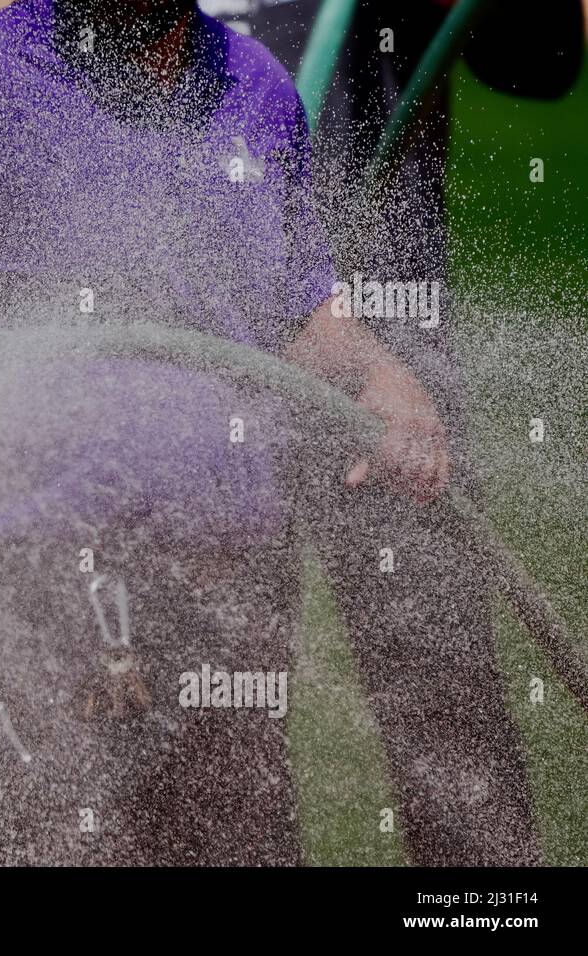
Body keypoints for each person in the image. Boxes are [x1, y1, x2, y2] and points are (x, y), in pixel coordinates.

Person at [0, 0, 450, 864]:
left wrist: (379, 374)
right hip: (16, 591)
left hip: (227, 585)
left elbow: (302, 306)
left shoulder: (258, 87)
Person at [197, 0, 585, 865]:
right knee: (216, 732)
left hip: (386, 370)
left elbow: (540, 57)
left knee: (446, 717)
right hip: (189, 368)